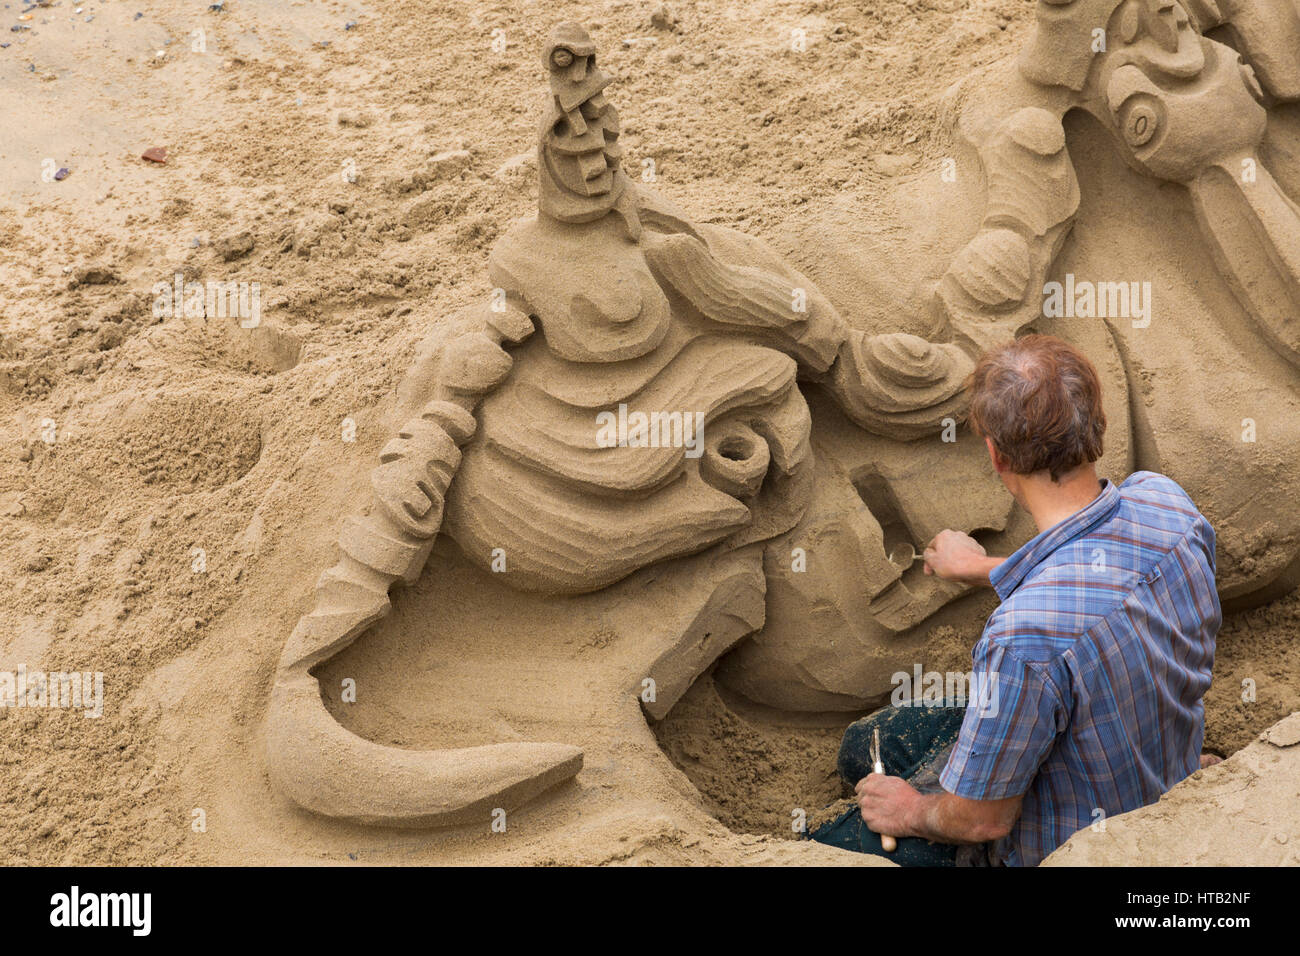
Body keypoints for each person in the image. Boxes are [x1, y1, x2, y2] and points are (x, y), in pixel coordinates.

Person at [810, 334, 1221, 866]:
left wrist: (912, 810)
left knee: (825, 848)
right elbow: (1099, 572)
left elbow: (984, 820)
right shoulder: (1167, 504)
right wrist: (982, 567)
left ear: (995, 454)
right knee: (864, 747)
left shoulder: (1021, 639)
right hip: (1157, 760)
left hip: (1065, 843)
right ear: (1096, 421)